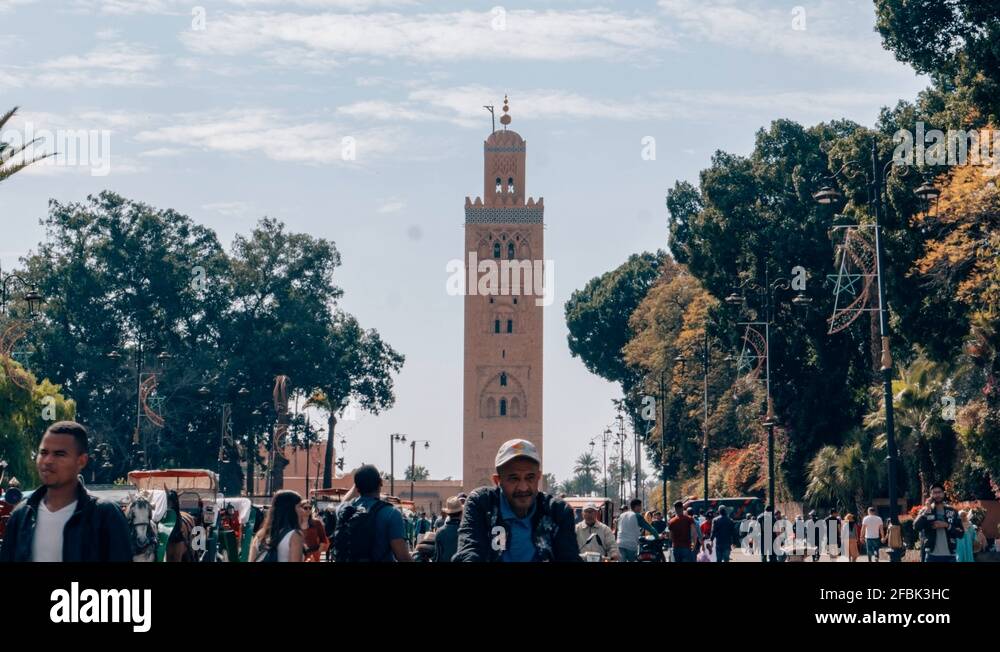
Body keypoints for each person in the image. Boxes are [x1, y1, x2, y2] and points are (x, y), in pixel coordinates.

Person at [0, 421, 132, 562]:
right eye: (43, 452)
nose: (48, 460)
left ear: (81, 461)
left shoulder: (105, 515)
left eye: (59, 454)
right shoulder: (21, 516)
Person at [453, 439, 580, 562]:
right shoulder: (482, 504)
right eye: (514, 479)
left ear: (538, 477)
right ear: (498, 481)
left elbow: (568, 556)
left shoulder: (557, 511)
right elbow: (469, 550)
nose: (523, 487)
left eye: (530, 478)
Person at [333, 465, 411, 562]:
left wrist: (358, 482)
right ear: (381, 482)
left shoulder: (344, 510)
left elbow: (343, 502)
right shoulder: (391, 513)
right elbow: (402, 557)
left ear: (357, 487)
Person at [913, 483, 964, 563]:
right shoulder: (926, 510)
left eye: (939, 492)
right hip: (931, 556)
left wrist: (946, 525)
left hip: (950, 556)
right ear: (931, 495)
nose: (937, 495)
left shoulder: (952, 511)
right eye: (934, 493)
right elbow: (916, 527)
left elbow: (961, 533)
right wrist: (927, 510)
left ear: (943, 493)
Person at [252, 490, 306, 562]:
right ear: (290, 509)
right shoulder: (295, 535)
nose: (302, 510)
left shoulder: (260, 535)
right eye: (299, 506)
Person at [434, 496, 463, 562]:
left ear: (448, 514)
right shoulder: (465, 531)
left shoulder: (440, 532)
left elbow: (437, 557)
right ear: (461, 513)